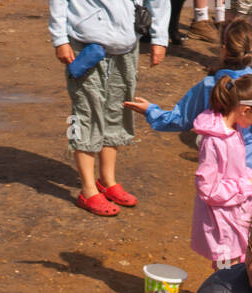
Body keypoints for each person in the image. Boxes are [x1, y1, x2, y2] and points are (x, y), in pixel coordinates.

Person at [126, 18, 252, 196]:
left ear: (224, 49)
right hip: (250, 173)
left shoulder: (209, 85)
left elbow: (181, 119)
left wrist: (150, 110)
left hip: (216, 172)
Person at [50, 0, 170, 216]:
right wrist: (60, 39)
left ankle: (107, 180)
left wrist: (160, 38)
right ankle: (88, 190)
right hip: (84, 44)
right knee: (86, 111)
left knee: (117, 109)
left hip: (126, 45)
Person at [191, 74, 252, 269]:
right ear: (245, 110)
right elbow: (208, 189)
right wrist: (246, 186)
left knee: (234, 266)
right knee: (227, 271)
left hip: (234, 216)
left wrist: (249, 175)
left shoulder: (233, 130)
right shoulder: (214, 141)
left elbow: (230, 171)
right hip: (221, 222)